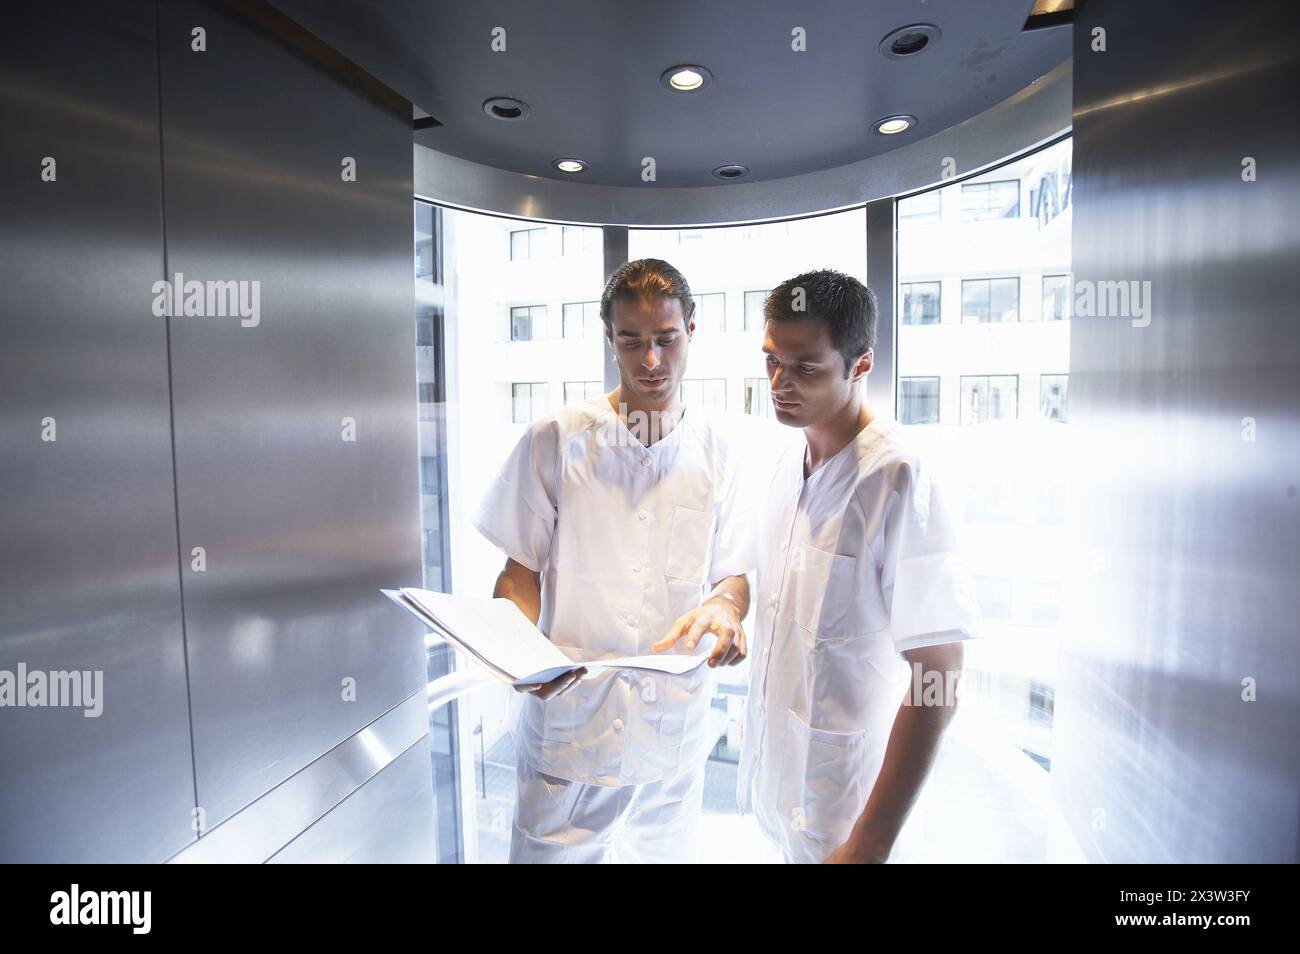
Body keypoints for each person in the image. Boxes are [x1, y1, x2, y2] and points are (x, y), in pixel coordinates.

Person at [660, 268, 981, 863]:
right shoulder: (785, 465)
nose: (781, 383)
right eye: (772, 361)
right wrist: (729, 611)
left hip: (851, 816)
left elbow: (940, 676)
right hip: (781, 797)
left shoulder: (898, 478)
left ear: (860, 365)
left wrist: (871, 840)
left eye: (806, 367)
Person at [473, 258, 754, 863]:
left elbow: (732, 576)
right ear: (610, 340)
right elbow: (518, 574)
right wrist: (514, 646)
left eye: (666, 340)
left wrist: (726, 610)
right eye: (632, 341)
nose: (651, 361)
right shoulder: (557, 438)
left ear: (692, 332)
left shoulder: (718, 451)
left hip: (671, 742)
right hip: (569, 734)